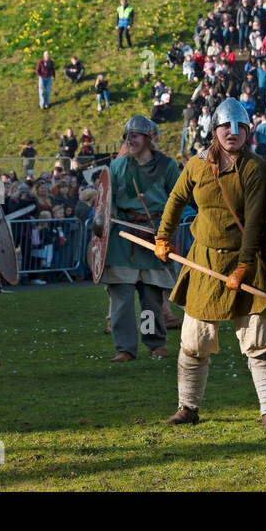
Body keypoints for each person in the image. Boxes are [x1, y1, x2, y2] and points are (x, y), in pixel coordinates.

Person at [155, 98, 266, 429]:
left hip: (247, 260)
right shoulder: (197, 165)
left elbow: (255, 221)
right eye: (227, 126)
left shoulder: (255, 167)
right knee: (194, 341)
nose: (233, 132)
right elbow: (176, 200)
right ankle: (188, 408)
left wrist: (243, 266)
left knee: (258, 341)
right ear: (215, 130)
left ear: (248, 131)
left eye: (240, 126)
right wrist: (163, 237)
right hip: (204, 261)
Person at [101, 116, 182, 362]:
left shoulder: (167, 166)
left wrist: (164, 231)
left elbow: (177, 201)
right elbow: (109, 203)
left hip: (153, 238)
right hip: (122, 241)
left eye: (135, 136)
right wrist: (102, 220)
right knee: (122, 300)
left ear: (148, 138)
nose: (130, 141)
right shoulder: (117, 167)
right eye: (127, 137)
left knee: (151, 300)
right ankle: (124, 348)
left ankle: (154, 343)